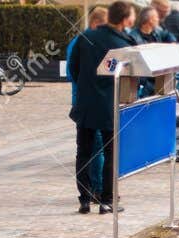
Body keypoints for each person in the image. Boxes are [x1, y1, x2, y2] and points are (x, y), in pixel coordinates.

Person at [71, 1, 139, 214]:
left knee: (83, 152)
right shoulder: (124, 43)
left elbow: (73, 69)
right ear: (126, 19)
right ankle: (107, 200)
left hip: (86, 103)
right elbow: (134, 75)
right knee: (111, 153)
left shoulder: (85, 38)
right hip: (110, 103)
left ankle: (84, 198)